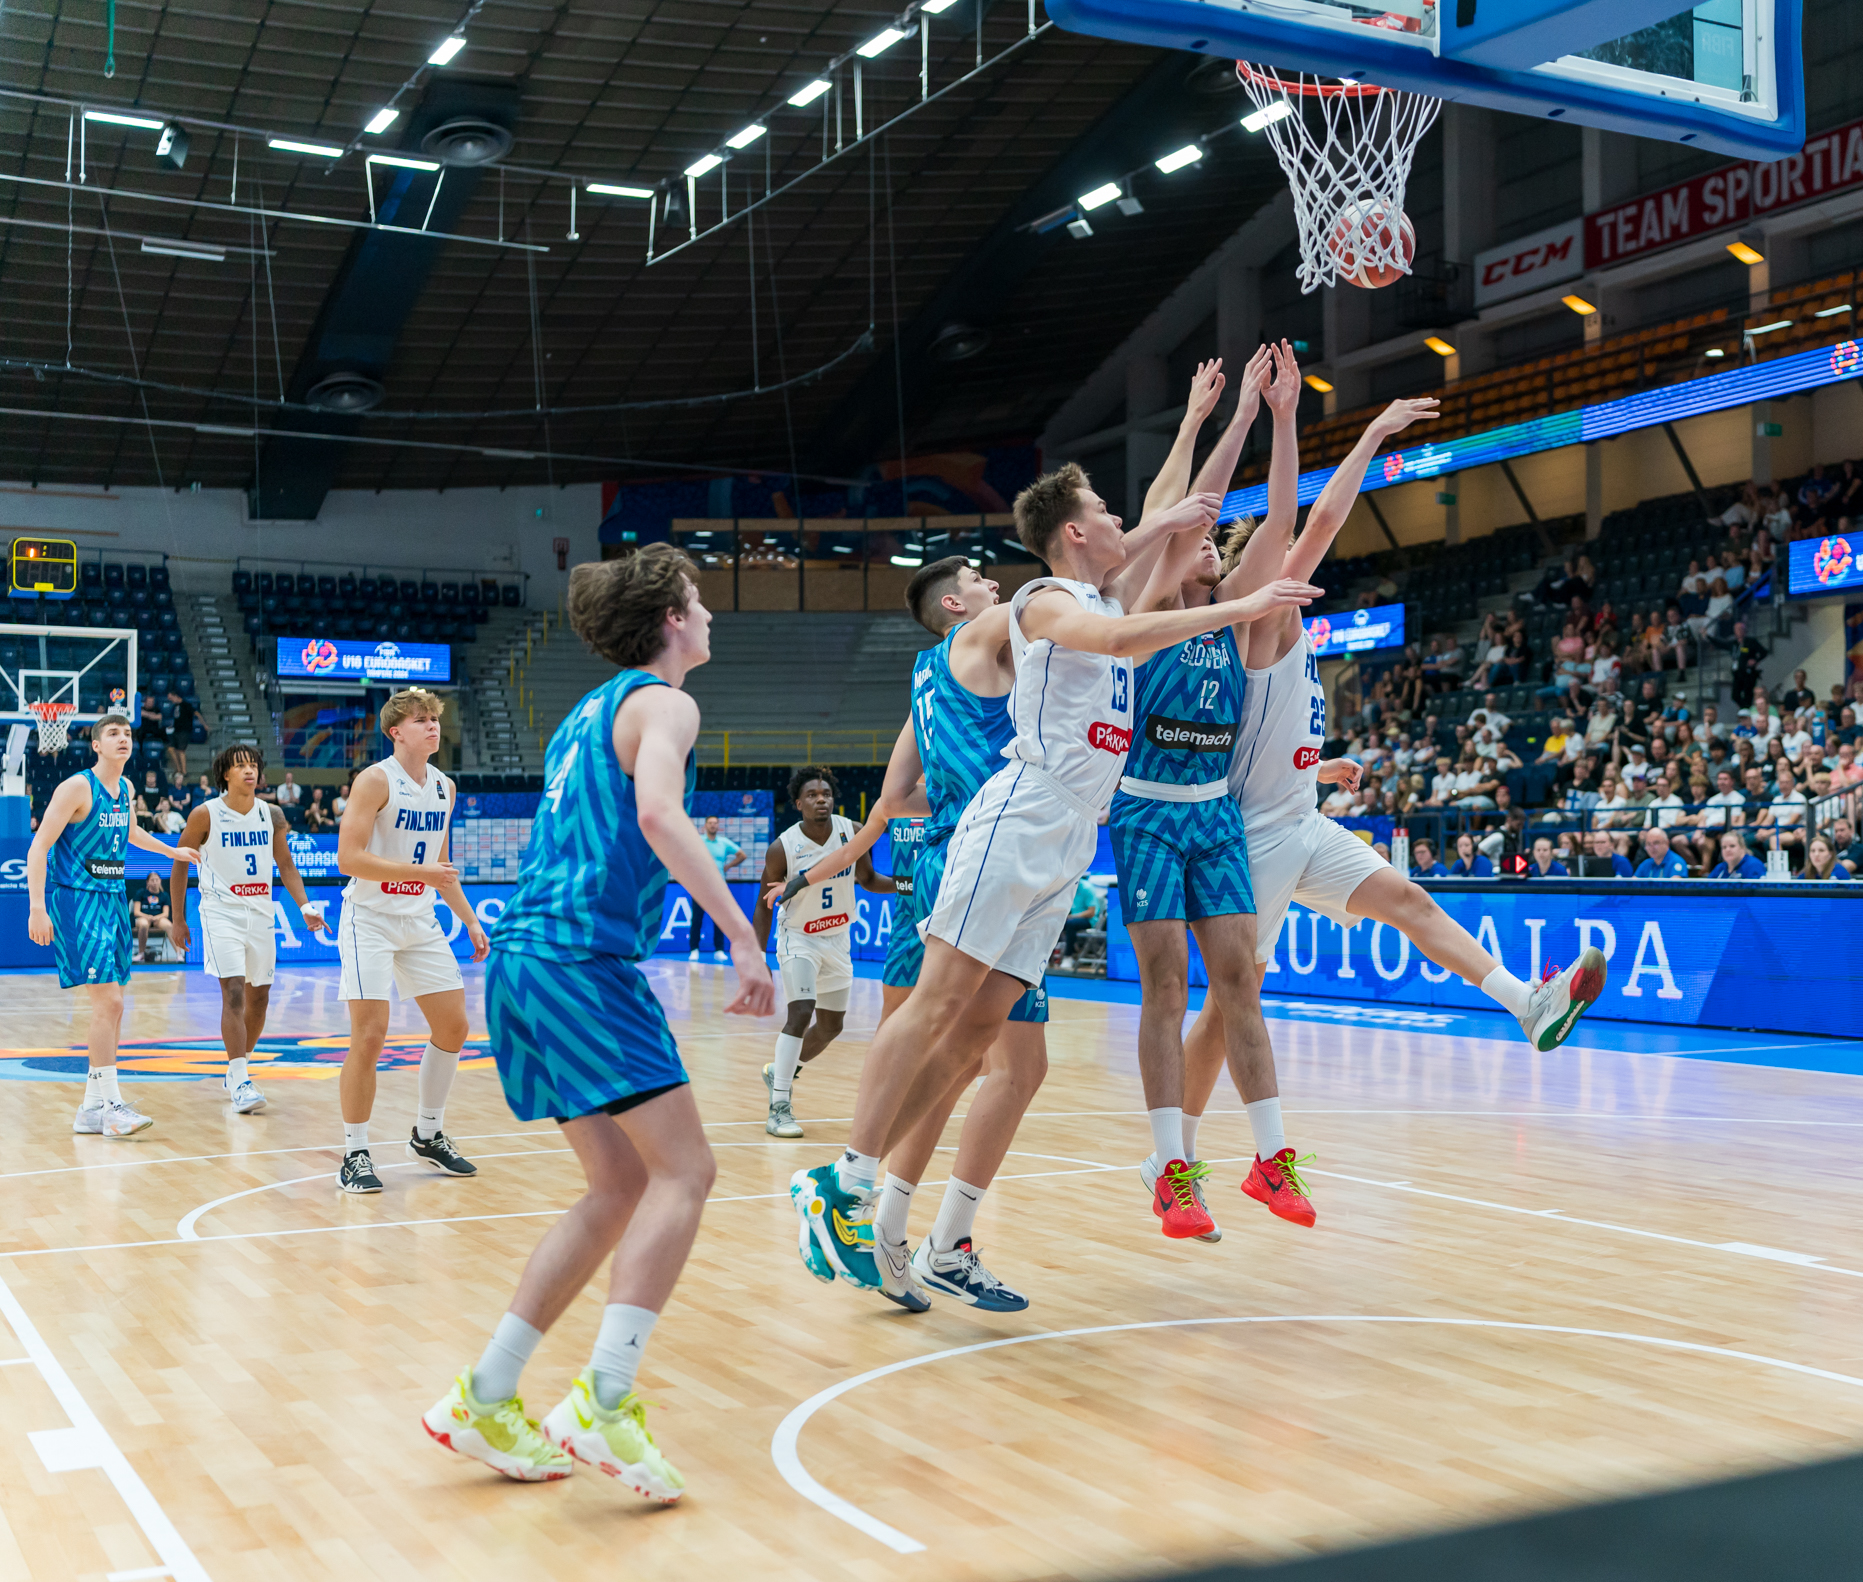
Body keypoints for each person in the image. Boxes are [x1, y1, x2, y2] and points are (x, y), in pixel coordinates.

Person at [787, 447, 1322, 1301]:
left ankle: (913, 1224)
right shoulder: (1046, 599)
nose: (1123, 521)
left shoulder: (1100, 587)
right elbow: (1114, 635)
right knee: (937, 1005)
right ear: (1076, 531)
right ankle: (843, 1184)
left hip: (1071, 835)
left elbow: (1161, 531)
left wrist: (1232, 420)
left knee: (977, 1041)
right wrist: (1243, 607)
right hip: (1019, 815)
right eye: (1106, 511)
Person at [1182, 398, 1611, 1208]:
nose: (1308, 559)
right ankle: (1180, 1157)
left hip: (1295, 819)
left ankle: (1528, 1004)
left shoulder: (1276, 627)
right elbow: (1320, 519)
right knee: (1230, 1001)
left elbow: (1262, 736)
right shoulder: (1260, 614)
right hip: (1251, 840)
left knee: (1406, 897)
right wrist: (1371, 436)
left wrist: (1317, 767)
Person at [425, 544, 775, 1495]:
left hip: (521, 962)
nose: (709, 617)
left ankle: (483, 1397)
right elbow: (661, 814)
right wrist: (742, 937)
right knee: (687, 1171)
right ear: (669, 619)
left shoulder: (584, 715)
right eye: (699, 601)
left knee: (618, 1183)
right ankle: (603, 1403)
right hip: (580, 961)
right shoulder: (666, 702)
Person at [333, 688, 488, 1193]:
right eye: (421, 720)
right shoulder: (375, 780)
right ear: (395, 731)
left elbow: (440, 869)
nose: (432, 727)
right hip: (370, 918)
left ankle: (427, 1133)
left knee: (455, 1026)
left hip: (420, 920)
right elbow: (348, 859)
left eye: (435, 719)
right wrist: (417, 871)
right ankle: (355, 1151)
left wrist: (468, 919)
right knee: (371, 1033)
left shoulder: (444, 786)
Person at [25, 714, 201, 1137]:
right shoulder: (76, 788)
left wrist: (173, 851)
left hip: (113, 899)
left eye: (127, 734)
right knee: (111, 1004)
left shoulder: (124, 789)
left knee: (115, 1005)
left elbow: (133, 832)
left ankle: (90, 1109)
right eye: (113, 734)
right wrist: (36, 907)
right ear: (96, 745)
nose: (123, 739)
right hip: (76, 899)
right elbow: (38, 847)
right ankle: (111, 1105)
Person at [168, 743, 328, 1115]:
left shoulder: (271, 814)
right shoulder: (204, 815)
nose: (249, 770)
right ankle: (240, 1080)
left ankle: (238, 1064)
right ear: (225, 774)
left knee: (260, 997)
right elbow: (179, 866)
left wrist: (304, 906)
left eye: (253, 764)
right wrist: (178, 919)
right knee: (235, 992)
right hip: (220, 911)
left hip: (261, 913)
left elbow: (285, 864)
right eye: (240, 765)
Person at [751, 767, 891, 1137]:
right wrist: (756, 956)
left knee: (831, 1026)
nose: (821, 800)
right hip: (799, 938)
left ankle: (779, 1071)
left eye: (826, 794)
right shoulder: (782, 847)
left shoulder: (853, 831)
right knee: (801, 1011)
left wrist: (909, 885)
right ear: (799, 803)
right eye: (812, 795)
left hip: (838, 939)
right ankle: (779, 1107)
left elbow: (868, 879)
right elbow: (764, 904)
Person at [689, 814, 744, 962]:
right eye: (710, 823)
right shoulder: (698, 841)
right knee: (697, 920)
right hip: (700, 886)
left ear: (718, 826)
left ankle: (719, 950)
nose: (713, 825)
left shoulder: (724, 842)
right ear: (705, 826)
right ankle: (694, 949)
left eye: (715, 823)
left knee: (720, 920)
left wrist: (728, 866)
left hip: (719, 887)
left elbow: (742, 855)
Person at [131, 873, 175, 962]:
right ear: (147, 882)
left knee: (169, 925)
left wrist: (156, 917)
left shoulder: (164, 895)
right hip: (143, 918)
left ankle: (179, 954)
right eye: (152, 880)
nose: (154, 882)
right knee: (143, 924)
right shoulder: (141, 893)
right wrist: (148, 916)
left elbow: (166, 913)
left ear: (160, 881)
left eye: (157, 880)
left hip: (158, 919)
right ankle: (141, 954)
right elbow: (136, 912)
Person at [1057, 878, 1099, 969]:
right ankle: (1049, 957)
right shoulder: (1068, 888)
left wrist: (1072, 916)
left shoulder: (1087, 889)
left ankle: (1068, 956)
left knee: (1070, 924)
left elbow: (1091, 912)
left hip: (1089, 920)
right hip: (1072, 919)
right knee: (1056, 923)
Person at [164, 689, 195, 782]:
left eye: (171, 698)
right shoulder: (175, 706)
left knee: (181, 751)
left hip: (184, 731)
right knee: (170, 748)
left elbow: (195, 713)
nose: (170, 700)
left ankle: (184, 771)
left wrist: (204, 725)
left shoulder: (186, 705)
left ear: (176, 696)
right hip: (176, 730)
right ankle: (178, 769)